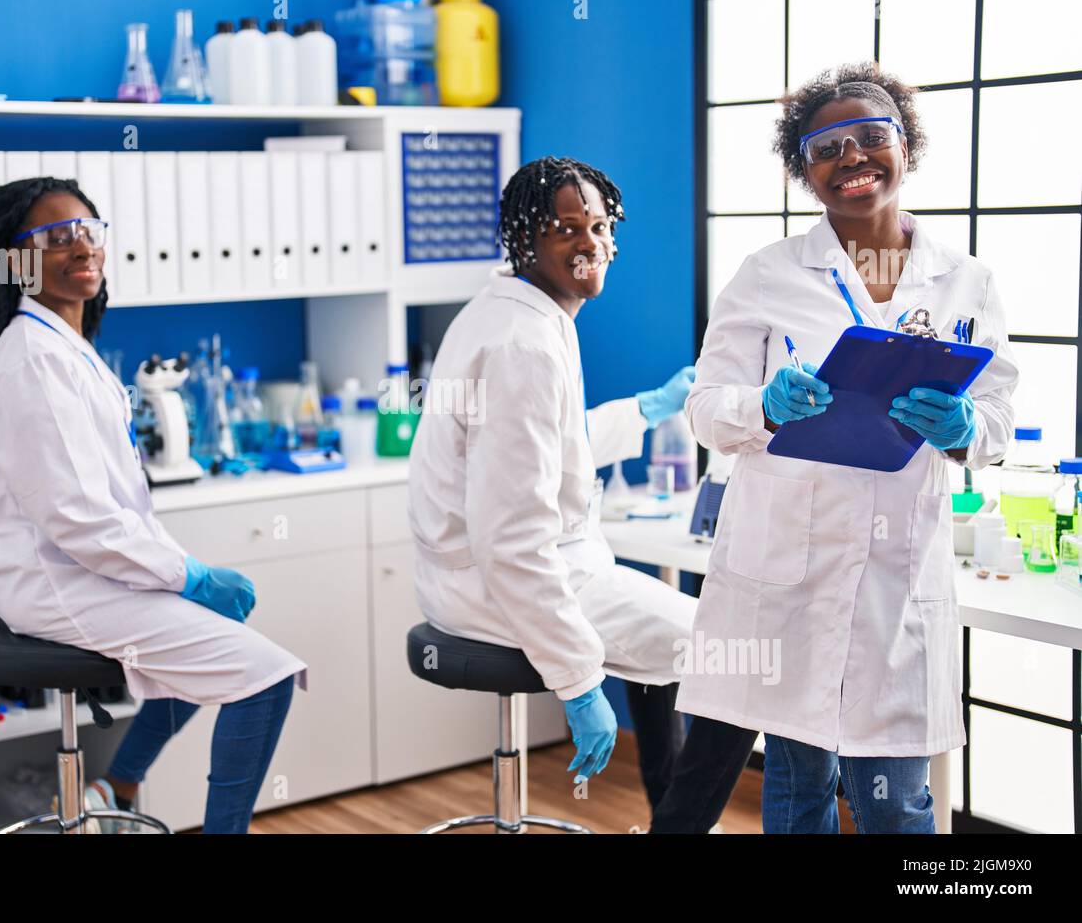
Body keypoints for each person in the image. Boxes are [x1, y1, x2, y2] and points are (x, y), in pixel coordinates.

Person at [679, 63, 1019, 833]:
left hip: (896, 584)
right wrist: (763, 408)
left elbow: (998, 413)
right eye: (827, 147)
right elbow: (706, 410)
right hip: (788, 580)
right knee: (797, 795)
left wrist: (967, 431)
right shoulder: (766, 275)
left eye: (872, 136)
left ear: (908, 146)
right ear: (804, 169)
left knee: (897, 806)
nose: (853, 159)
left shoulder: (965, 281)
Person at [0, 177, 305, 833]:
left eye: (89, 231)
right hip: (57, 582)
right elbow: (79, 520)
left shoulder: (60, 344)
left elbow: (109, 509)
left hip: (81, 569)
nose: (81, 245)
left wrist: (180, 573)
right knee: (264, 675)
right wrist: (188, 575)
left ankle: (116, 784)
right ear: (14, 260)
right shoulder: (30, 360)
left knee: (222, 647)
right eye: (55, 237)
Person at [407, 155, 698, 794]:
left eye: (598, 227)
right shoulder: (525, 343)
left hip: (478, 573)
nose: (589, 244)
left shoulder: (511, 312)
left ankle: (670, 812)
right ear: (524, 237)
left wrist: (649, 409)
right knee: (731, 655)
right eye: (565, 229)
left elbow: (542, 450)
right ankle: (681, 825)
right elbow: (510, 539)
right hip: (499, 581)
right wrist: (578, 681)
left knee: (671, 645)